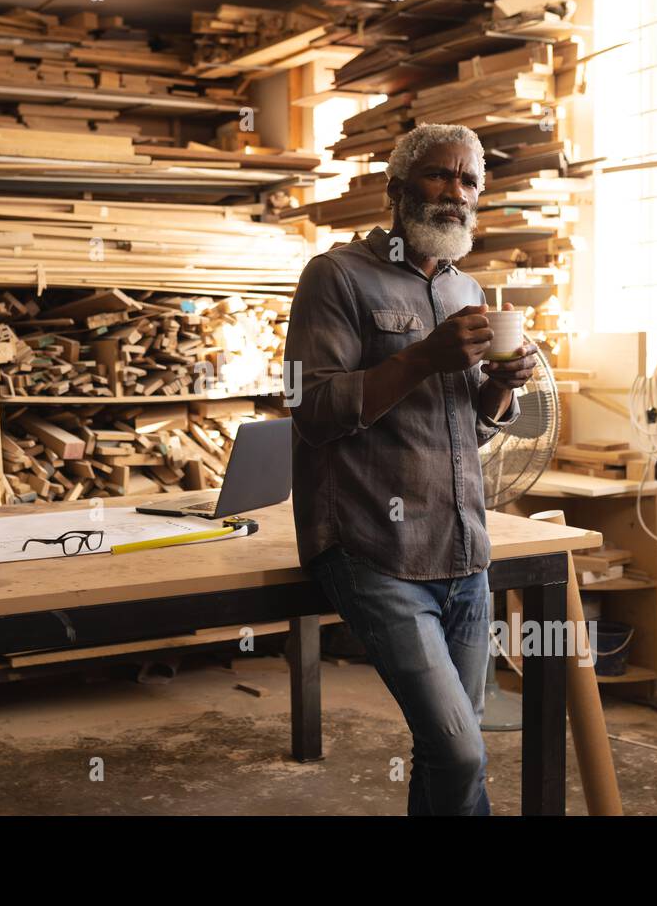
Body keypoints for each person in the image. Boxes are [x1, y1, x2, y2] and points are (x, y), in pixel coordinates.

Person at [285, 123, 540, 815]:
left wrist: (502, 385)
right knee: (461, 749)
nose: (455, 193)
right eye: (438, 176)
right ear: (398, 189)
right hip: (375, 549)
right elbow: (310, 407)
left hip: (462, 551)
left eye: (468, 182)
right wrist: (422, 356)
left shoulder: (466, 292)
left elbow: (469, 426)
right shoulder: (335, 277)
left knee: (442, 750)